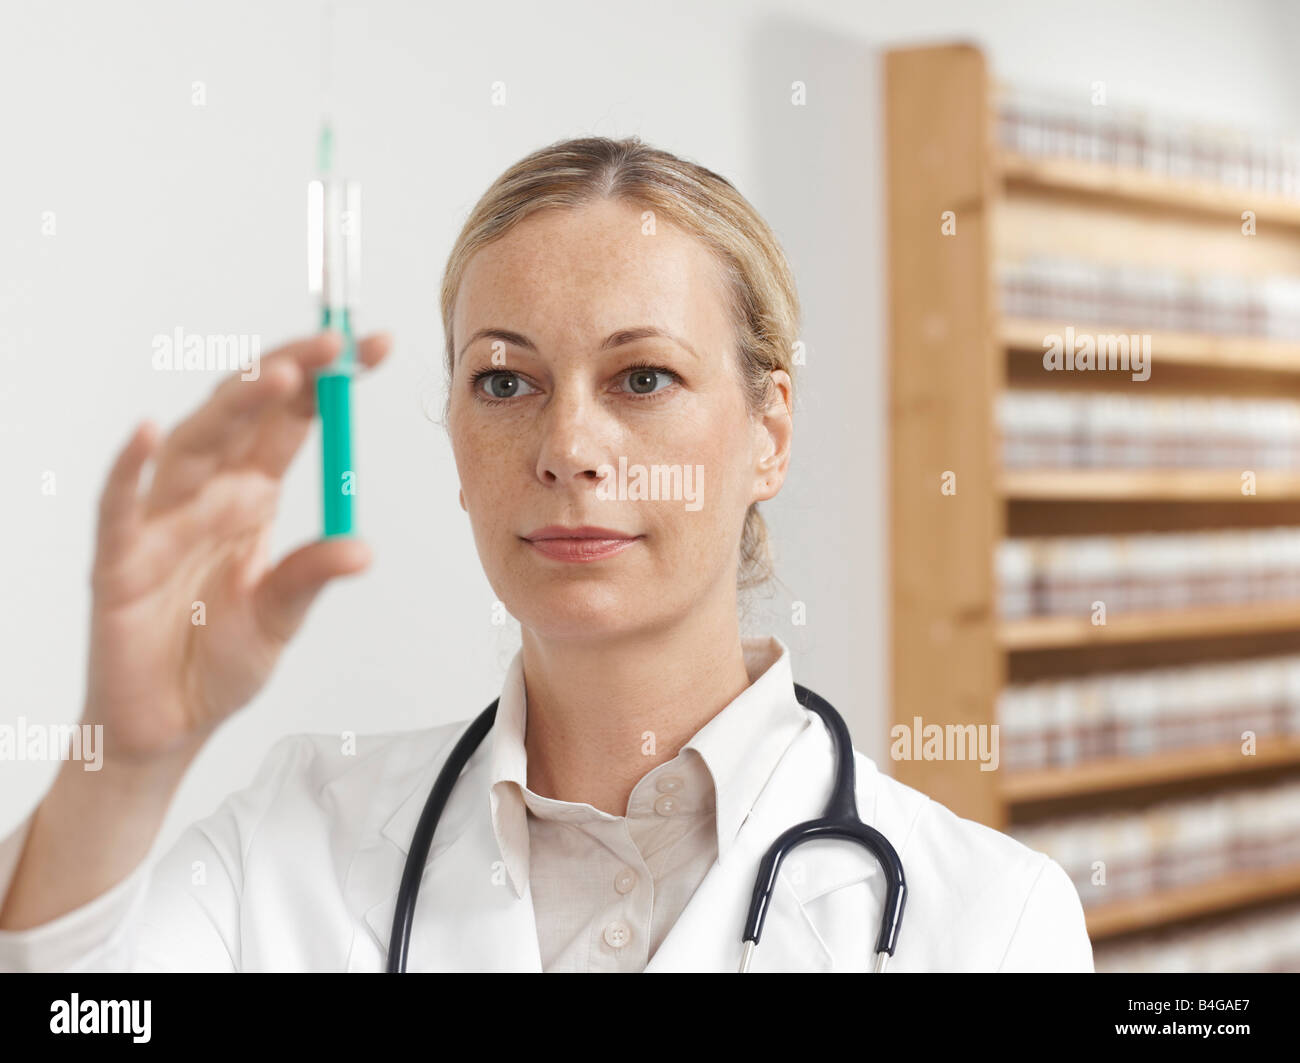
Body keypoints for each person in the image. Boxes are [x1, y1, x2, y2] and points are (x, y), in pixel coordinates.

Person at [0, 136, 1093, 972]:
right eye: (505, 381)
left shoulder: (993, 922)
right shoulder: (300, 833)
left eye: (643, 378)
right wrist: (127, 759)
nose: (567, 447)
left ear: (769, 432)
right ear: (458, 441)